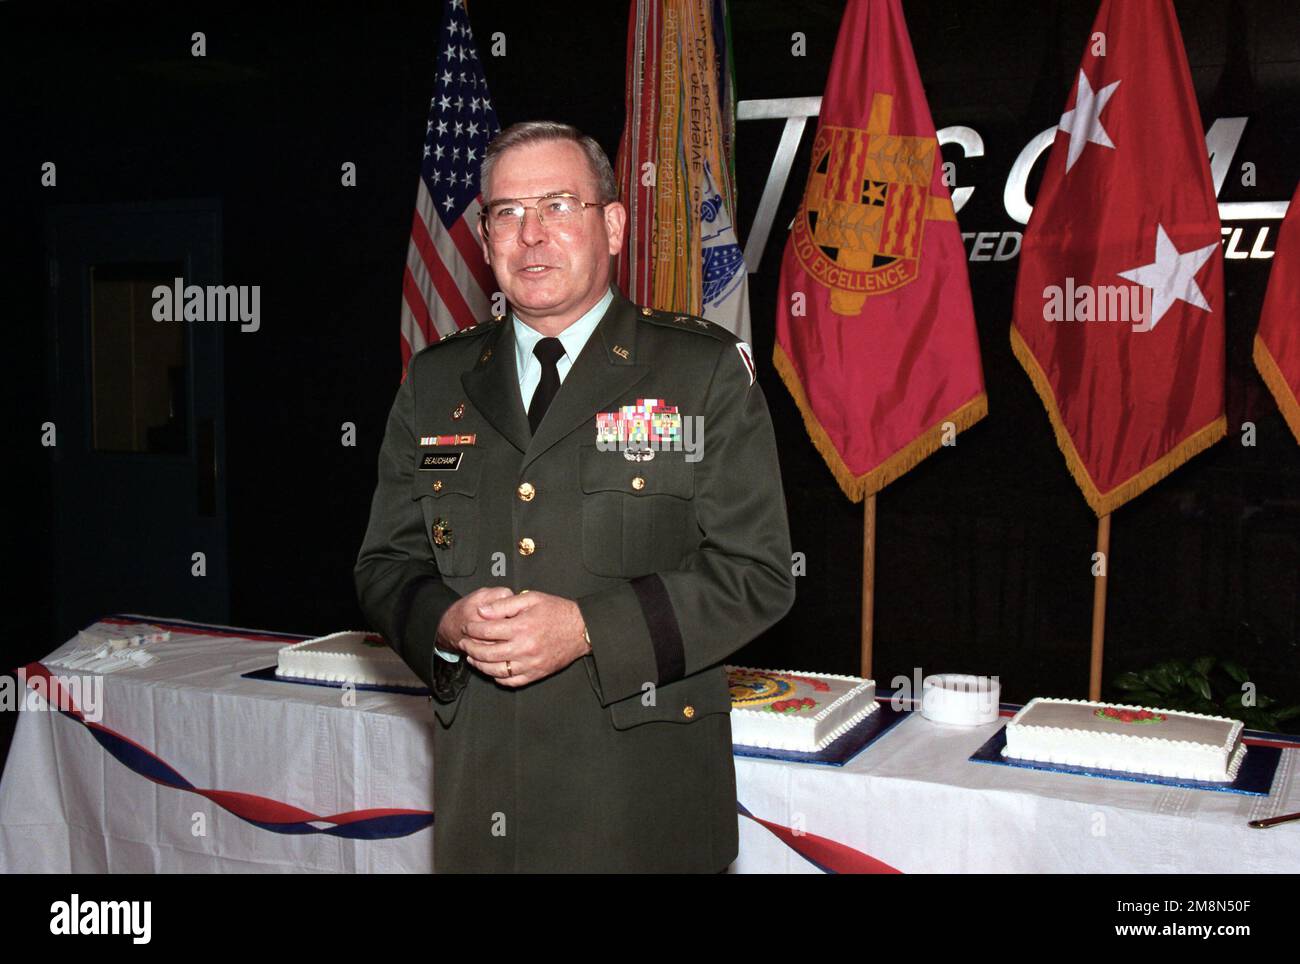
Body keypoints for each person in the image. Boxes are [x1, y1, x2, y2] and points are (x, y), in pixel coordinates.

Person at [355, 120, 794, 872]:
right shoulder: (436, 382)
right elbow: (385, 565)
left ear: (614, 225)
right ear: (485, 237)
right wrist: (448, 621)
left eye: (558, 206)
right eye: (506, 213)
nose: (530, 236)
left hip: (640, 811)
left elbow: (756, 575)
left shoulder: (701, 373)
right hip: (483, 803)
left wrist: (590, 629)